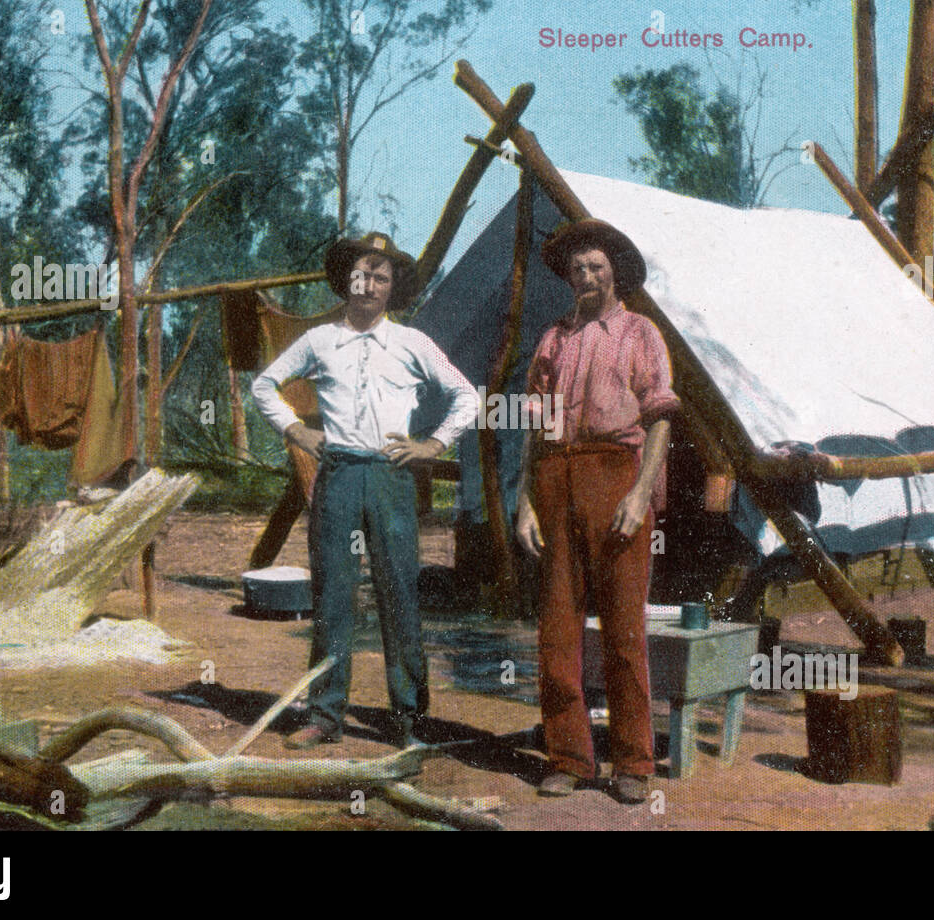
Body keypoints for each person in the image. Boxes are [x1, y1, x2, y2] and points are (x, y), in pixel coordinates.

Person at [252, 231, 478, 749]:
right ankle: (325, 714)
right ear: (347, 280)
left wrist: (434, 444)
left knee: (399, 592)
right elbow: (263, 385)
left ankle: (408, 719)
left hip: (390, 476)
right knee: (333, 592)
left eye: (381, 275)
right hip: (338, 475)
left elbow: (465, 395)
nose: (369, 283)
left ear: (392, 285)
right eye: (361, 273)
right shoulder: (319, 340)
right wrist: (296, 431)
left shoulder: (412, 343)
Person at [516, 218, 681, 804]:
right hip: (557, 475)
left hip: (616, 473)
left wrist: (640, 493)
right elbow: (534, 428)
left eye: (596, 267)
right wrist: (525, 503)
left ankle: (634, 762)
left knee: (622, 627)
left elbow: (660, 417)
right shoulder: (553, 337)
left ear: (616, 273)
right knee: (558, 627)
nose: (586, 277)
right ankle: (569, 757)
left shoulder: (640, 333)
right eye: (577, 269)